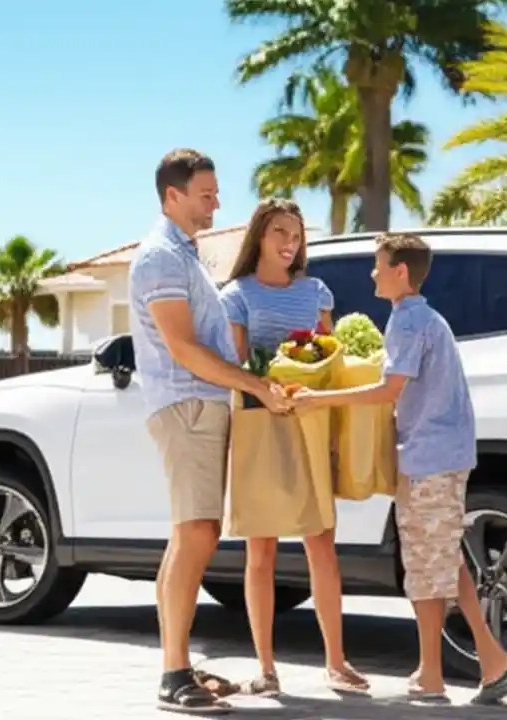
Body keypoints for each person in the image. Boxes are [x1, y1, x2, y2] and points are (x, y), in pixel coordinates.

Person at [293, 233, 507, 705]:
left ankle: (434, 676)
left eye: (378, 266)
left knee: (423, 566)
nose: (372, 274)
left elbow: (388, 390)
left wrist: (318, 399)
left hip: (429, 460)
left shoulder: (408, 319)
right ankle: (486, 664)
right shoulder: (426, 318)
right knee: (442, 559)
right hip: (442, 456)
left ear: (401, 272)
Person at [129, 148, 291, 715]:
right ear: (172, 195)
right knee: (197, 531)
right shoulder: (158, 259)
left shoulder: (185, 255)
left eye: (216, 191)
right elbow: (183, 349)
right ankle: (174, 676)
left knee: (191, 533)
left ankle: (176, 663)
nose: (217, 202)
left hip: (202, 405)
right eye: (206, 193)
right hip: (187, 405)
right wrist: (252, 384)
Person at [217, 198, 369, 697]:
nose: (290, 243)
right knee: (260, 550)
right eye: (280, 232)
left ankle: (337, 662)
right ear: (259, 236)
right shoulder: (236, 295)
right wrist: (268, 385)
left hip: (310, 424)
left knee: (321, 543)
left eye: (297, 235)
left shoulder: (316, 292)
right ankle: (266, 667)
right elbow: (236, 365)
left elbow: (330, 358)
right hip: (260, 423)